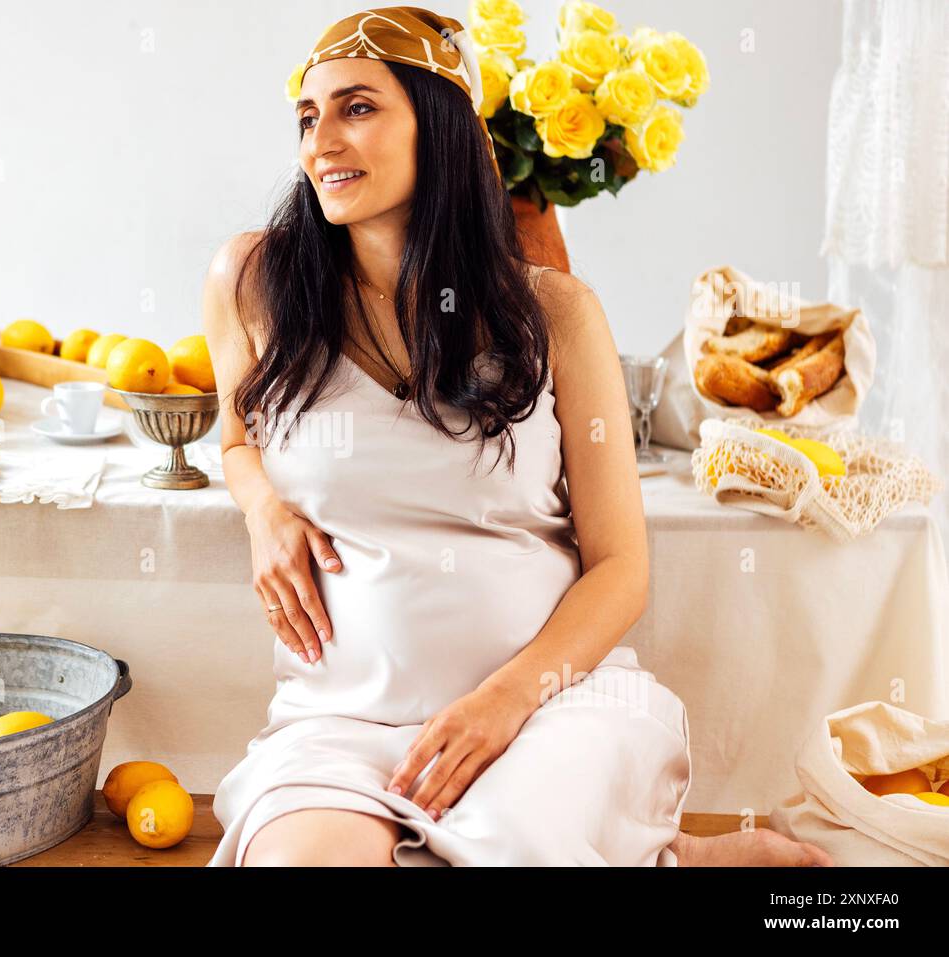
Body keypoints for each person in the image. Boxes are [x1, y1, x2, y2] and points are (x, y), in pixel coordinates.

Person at [200, 6, 833, 867]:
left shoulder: (554, 312)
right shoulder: (254, 281)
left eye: (357, 108)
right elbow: (235, 435)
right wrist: (261, 504)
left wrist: (504, 701)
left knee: (510, 850)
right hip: (341, 721)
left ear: (442, 126)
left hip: (544, 706)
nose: (321, 144)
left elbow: (621, 565)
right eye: (308, 118)